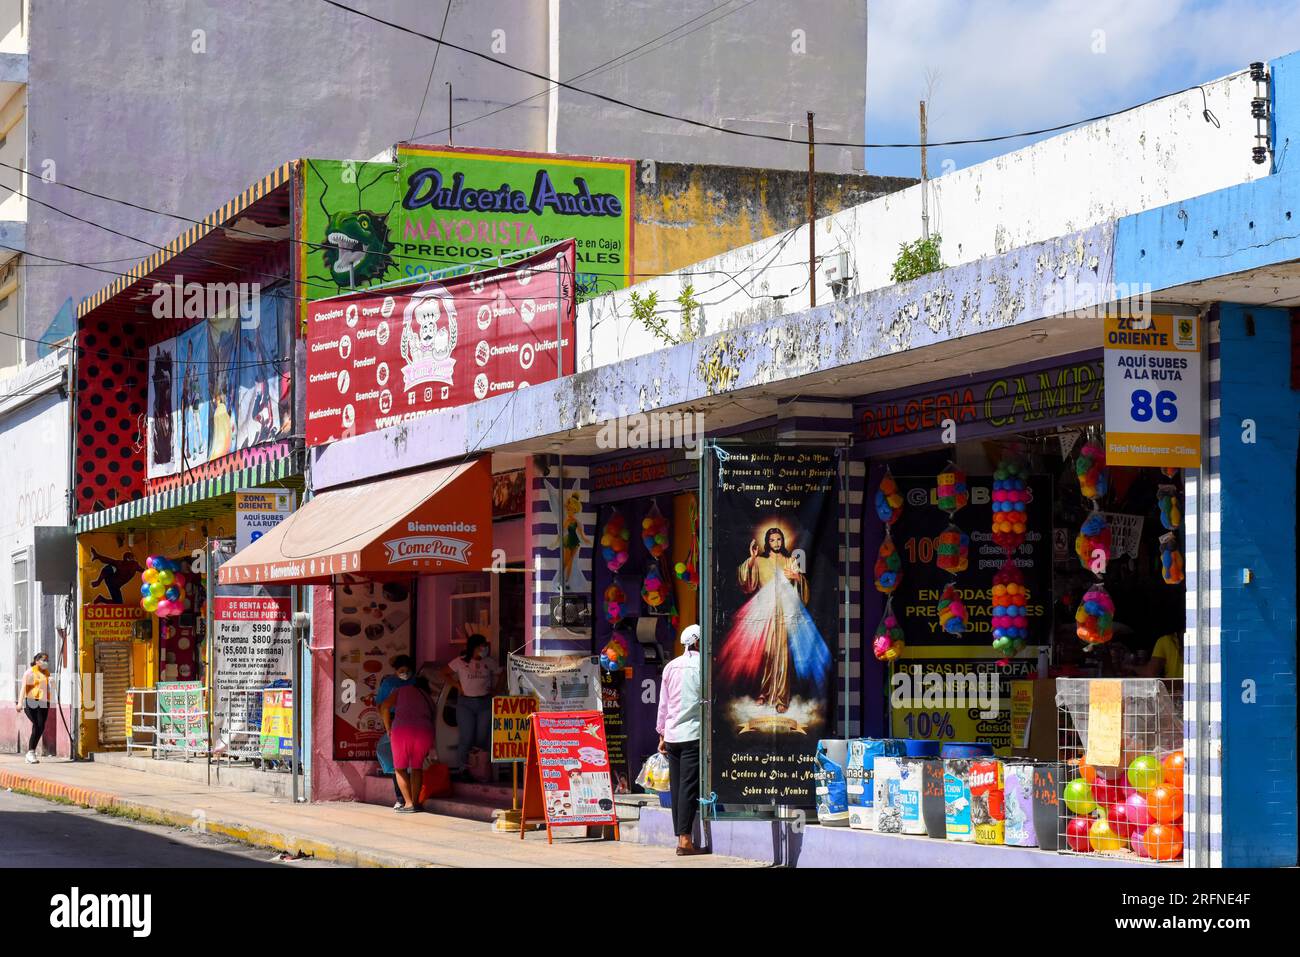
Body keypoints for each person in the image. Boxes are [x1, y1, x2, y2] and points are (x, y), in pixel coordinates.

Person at [715, 526, 830, 713]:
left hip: (785, 614)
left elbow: (803, 593)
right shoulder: (760, 560)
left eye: (778, 540)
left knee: (782, 656)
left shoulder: (790, 560)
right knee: (766, 654)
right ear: (767, 542)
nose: (776, 543)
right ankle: (764, 692)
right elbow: (747, 584)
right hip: (764, 613)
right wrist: (752, 558)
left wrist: (798, 579)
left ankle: (781, 698)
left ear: (782, 541)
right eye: (772, 540)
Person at [657, 624, 706, 855]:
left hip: (673, 735)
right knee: (687, 787)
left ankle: (681, 838)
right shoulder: (703, 666)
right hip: (692, 734)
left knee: (677, 787)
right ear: (698, 643)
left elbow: (663, 705)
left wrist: (662, 734)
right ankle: (685, 841)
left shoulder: (671, 667)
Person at [445, 635, 501, 780]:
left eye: (485, 646)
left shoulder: (489, 662)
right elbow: (444, 673)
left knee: (482, 737)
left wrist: (497, 690)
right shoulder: (461, 661)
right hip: (465, 703)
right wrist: (457, 686)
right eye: (481, 646)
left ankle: (480, 770)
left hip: (485, 703)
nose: (484, 649)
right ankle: (463, 768)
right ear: (473, 647)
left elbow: (502, 673)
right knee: (467, 736)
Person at [380, 674, 437, 814]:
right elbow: (434, 717)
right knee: (417, 768)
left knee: (399, 768)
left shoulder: (402, 690)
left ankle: (408, 803)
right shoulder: (428, 698)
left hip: (402, 732)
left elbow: (384, 707)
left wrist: (388, 728)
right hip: (425, 732)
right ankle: (416, 802)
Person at [375, 656, 415, 808]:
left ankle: (409, 798)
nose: (404, 673)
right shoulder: (389, 683)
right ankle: (400, 797)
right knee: (396, 760)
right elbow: (381, 705)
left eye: (407, 671)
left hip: (412, 721)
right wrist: (388, 726)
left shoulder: (415, 683)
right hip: (393, 720)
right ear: (395, 671)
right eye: (401, 671)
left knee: (407, 762)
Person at [16, 653, 52, 763]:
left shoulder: (46, 672)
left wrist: (53, 683)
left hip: (44, 702)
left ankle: (30, 753)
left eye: (47, 660)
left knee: (41, 727)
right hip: (31, 702)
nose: (46, 662)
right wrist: (20, 703)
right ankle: (31, 752)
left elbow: (49, 688)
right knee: (37, 725)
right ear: (37, 661)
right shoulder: (30, 672)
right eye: (43, 660)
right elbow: (23, 688)